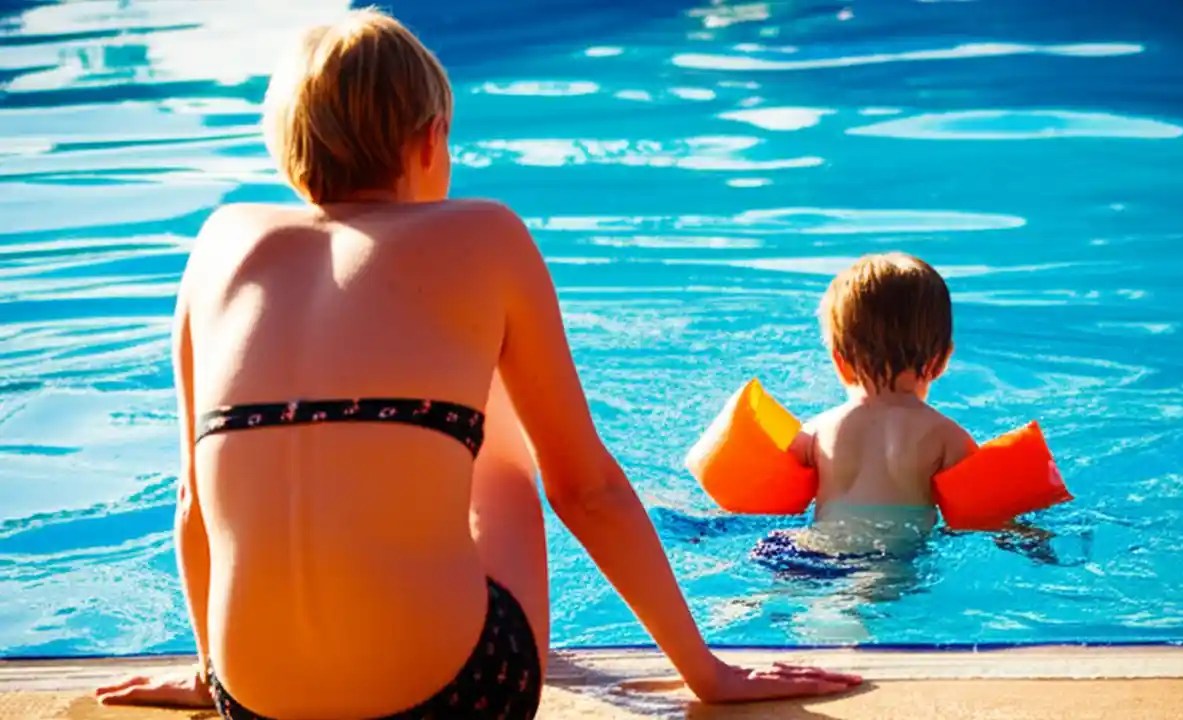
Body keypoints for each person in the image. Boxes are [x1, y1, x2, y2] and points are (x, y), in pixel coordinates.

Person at [93, 8, 860, 719]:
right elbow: (585, 490)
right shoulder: (485, 236)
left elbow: (197, 504)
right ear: (430, 140)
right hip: (457, 692)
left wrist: (210, 671)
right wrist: (706, 672)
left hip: (254, 698)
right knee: (493, 423)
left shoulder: (220, 245)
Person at [755, 253, 1050, 563]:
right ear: (941, 361)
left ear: (840, 363)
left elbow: (769, 492)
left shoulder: (817, 430)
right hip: (887, 557)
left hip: (809, 550)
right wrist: (1032, 538)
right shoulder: (945, 437)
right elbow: (984, 517)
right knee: (865, 601)